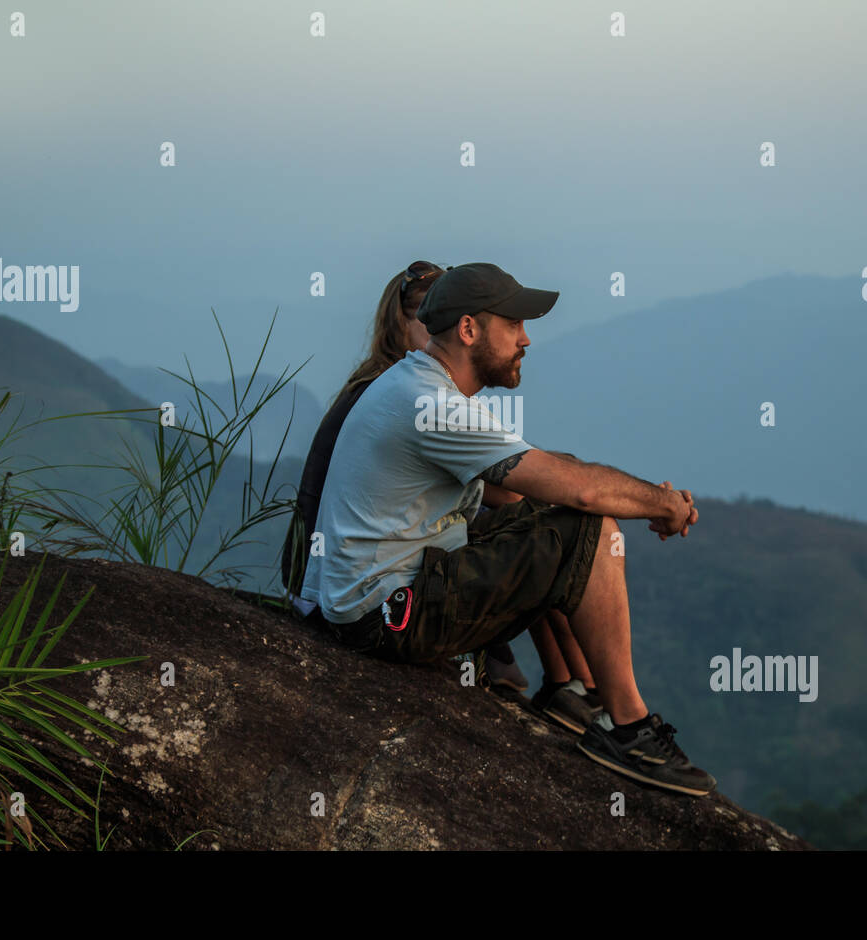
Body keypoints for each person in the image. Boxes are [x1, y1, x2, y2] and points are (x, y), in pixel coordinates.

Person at [301, 262, 716, 795]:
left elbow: (537, 482)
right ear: (469, 330)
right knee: (586, 529)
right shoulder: (432, 406)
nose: (525, 339)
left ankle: (578, 693)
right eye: (514, 324)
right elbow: (579, 488)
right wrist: (661, 504)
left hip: (382, 597)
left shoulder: (418, 385)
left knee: (566, 520)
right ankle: (629, 729)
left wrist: (646, 500)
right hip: (386, 617)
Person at [283, 263, 603, 729]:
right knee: (548, 518)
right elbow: (509, 496)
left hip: (356, 573)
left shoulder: (389, 383)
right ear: (409, 324)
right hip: (339, 589)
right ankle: (575, 689)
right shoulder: (410, 395)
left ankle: (573, 684)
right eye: (428, 318)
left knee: (546, 509)